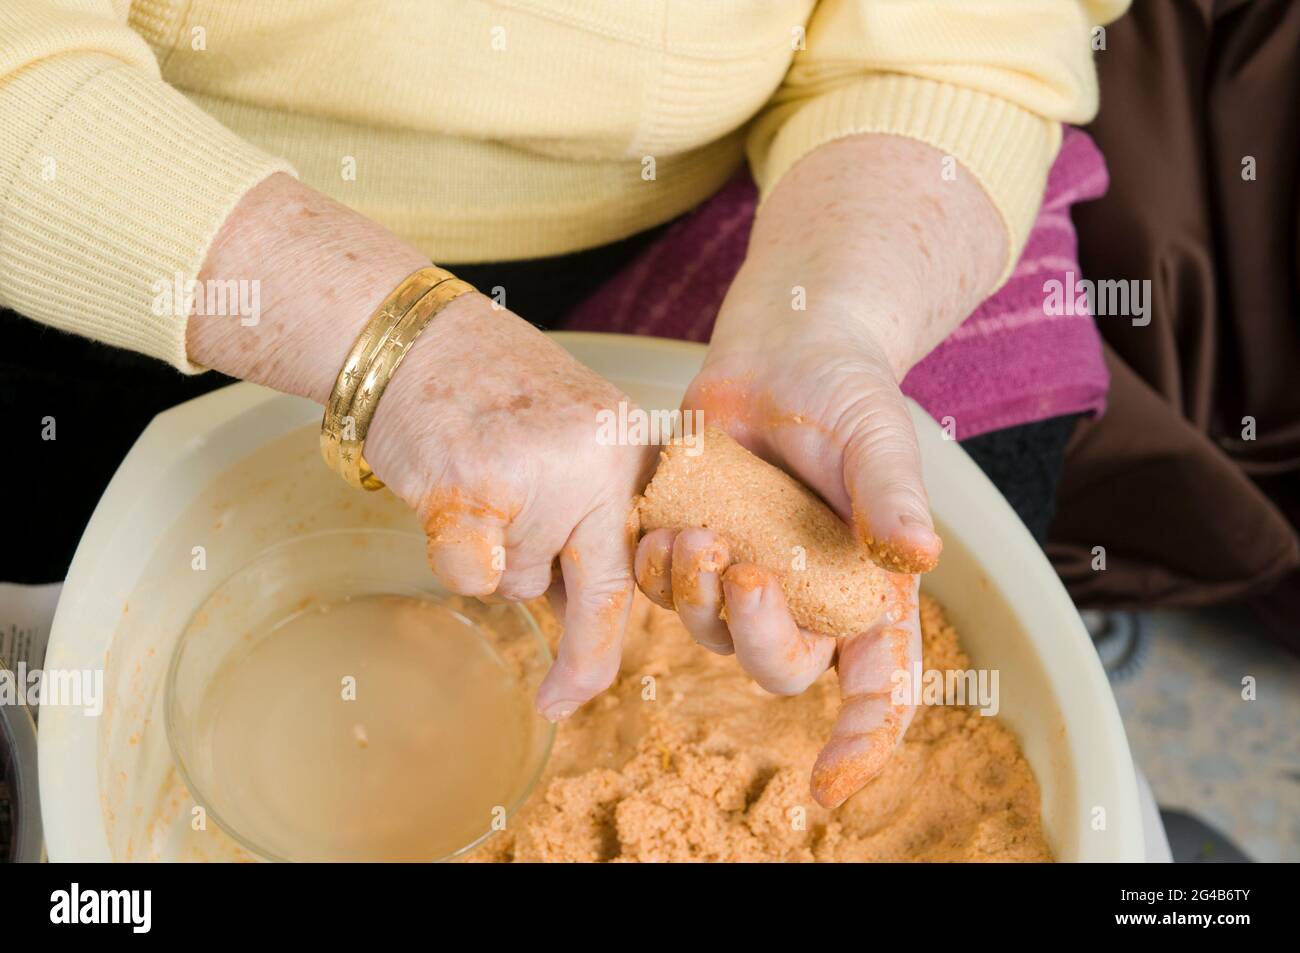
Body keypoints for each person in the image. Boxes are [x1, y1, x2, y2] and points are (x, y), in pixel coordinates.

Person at [0, 0, 1128, 807]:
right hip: (160, 188)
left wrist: (829, 321)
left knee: (978, 461)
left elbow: (967, 35)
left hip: (745, 203)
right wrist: (401, 344)